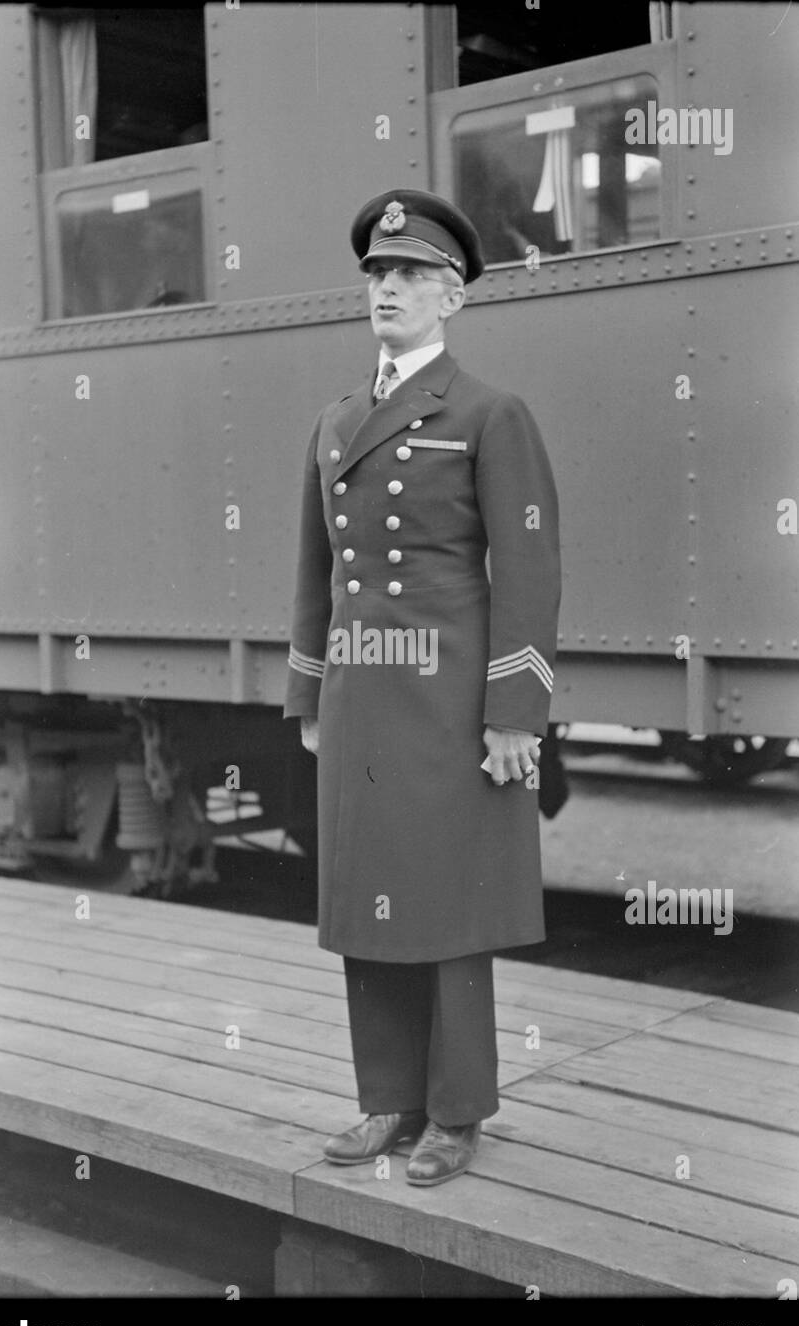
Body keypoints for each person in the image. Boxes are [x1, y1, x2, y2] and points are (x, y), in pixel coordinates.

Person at [284, 188, 561, 1185]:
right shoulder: (334, 421)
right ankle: (388, 1098)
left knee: (447, 908)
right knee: (369, 899)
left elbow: (527, 577)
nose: (385, 289)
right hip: (360, 700)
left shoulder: (490, 414)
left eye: (406, 275)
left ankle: (454, 1110)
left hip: (449, 703)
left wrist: (511, 717)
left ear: (453, 296)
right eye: (374, 274)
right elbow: (315, 575)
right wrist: (307, 697)